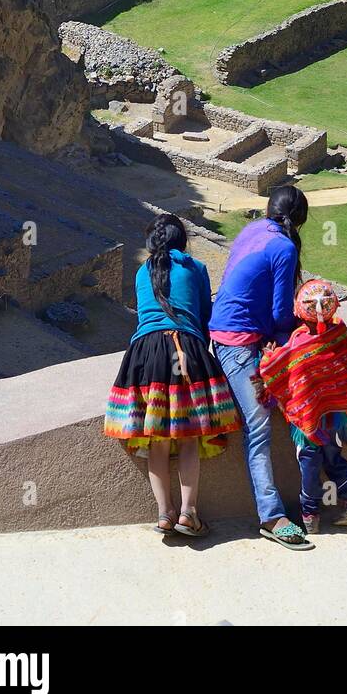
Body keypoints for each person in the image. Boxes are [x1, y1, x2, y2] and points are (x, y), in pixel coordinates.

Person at [104, 213, 239, 537]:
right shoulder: (195, 268)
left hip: (146, 356)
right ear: (182, 241)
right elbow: (205, 317)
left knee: (158, 442)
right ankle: (188, 513)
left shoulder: (141, 271)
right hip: (187, 351)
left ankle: (164, 514)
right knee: (190, 437)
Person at [209, 185, 314, 550]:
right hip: (237, 344)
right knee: (258, 426)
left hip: (227, 331)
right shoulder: (284, 247)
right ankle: (271, 515)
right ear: (299, 220)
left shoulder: (252, 230)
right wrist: (290, 332)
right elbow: (280, 312)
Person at [258, 278, 347, 534]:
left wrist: (268, 355)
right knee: (334, 458)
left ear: (298, 309)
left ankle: (310, 515)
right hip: (337, 415)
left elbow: (274, 371)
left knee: (309, 463)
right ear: (333, 306)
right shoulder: (340, 333)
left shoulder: (297, 344)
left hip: (308, 421)